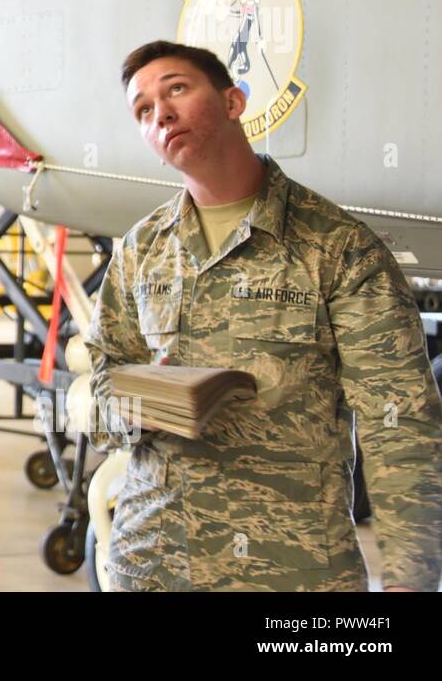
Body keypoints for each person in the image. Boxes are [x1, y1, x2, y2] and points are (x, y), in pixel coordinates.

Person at [85, 40, 442, 591]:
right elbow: (100, 386)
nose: (162, 114)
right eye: (143, 110)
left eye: (176, 88)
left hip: (291, 575)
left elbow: (401, 424)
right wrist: (143, 407)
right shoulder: (141, 249)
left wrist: (410, 579)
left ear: (233, 102)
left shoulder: (338, 247)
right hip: (154, 563)